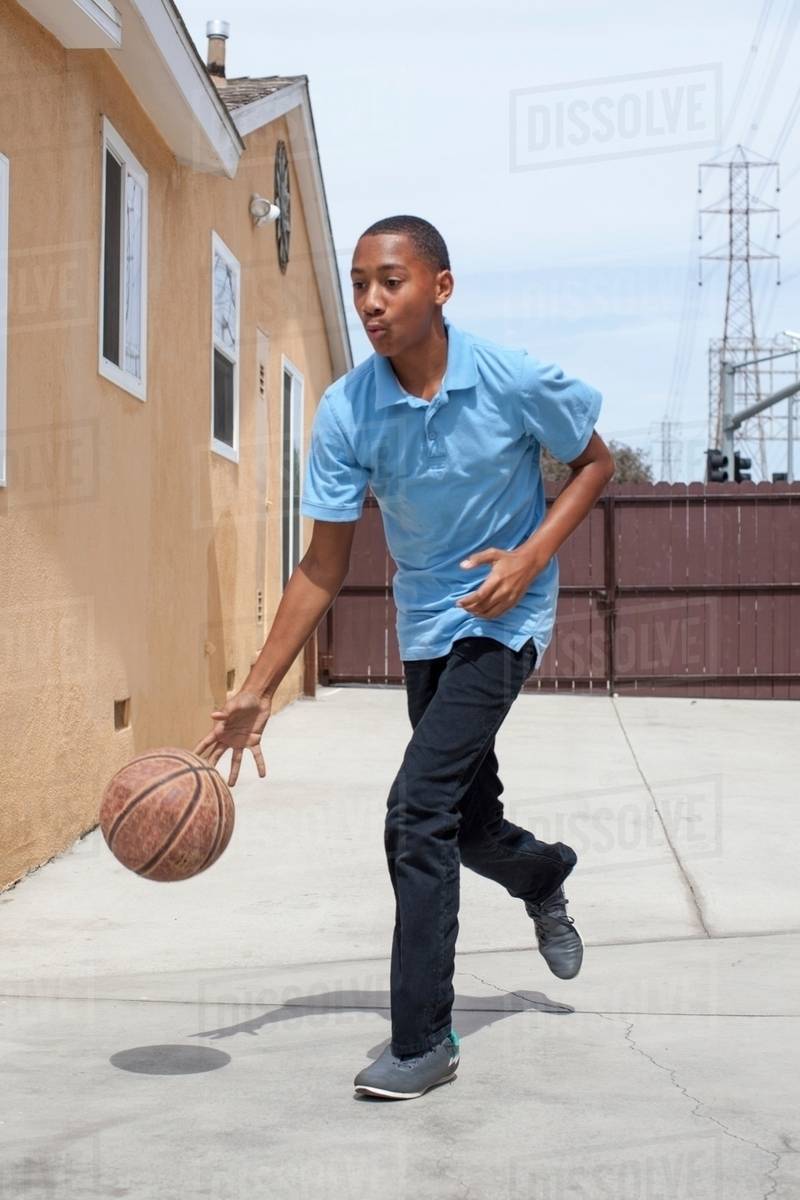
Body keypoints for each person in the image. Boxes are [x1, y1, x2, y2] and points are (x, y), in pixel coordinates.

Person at [193, 214, 615, 1101]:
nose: (371, 302)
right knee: (466, 821)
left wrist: (529, 557)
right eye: (359, 285)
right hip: (426, 624)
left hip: (505, 618)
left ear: (440, 287)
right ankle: (544, 872)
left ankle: (424, 1041)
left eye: (391, 281)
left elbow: (593, 462)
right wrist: (257, 690)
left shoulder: (508, 378)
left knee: (416, 812)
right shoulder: (349, 410)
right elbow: (323, 564)